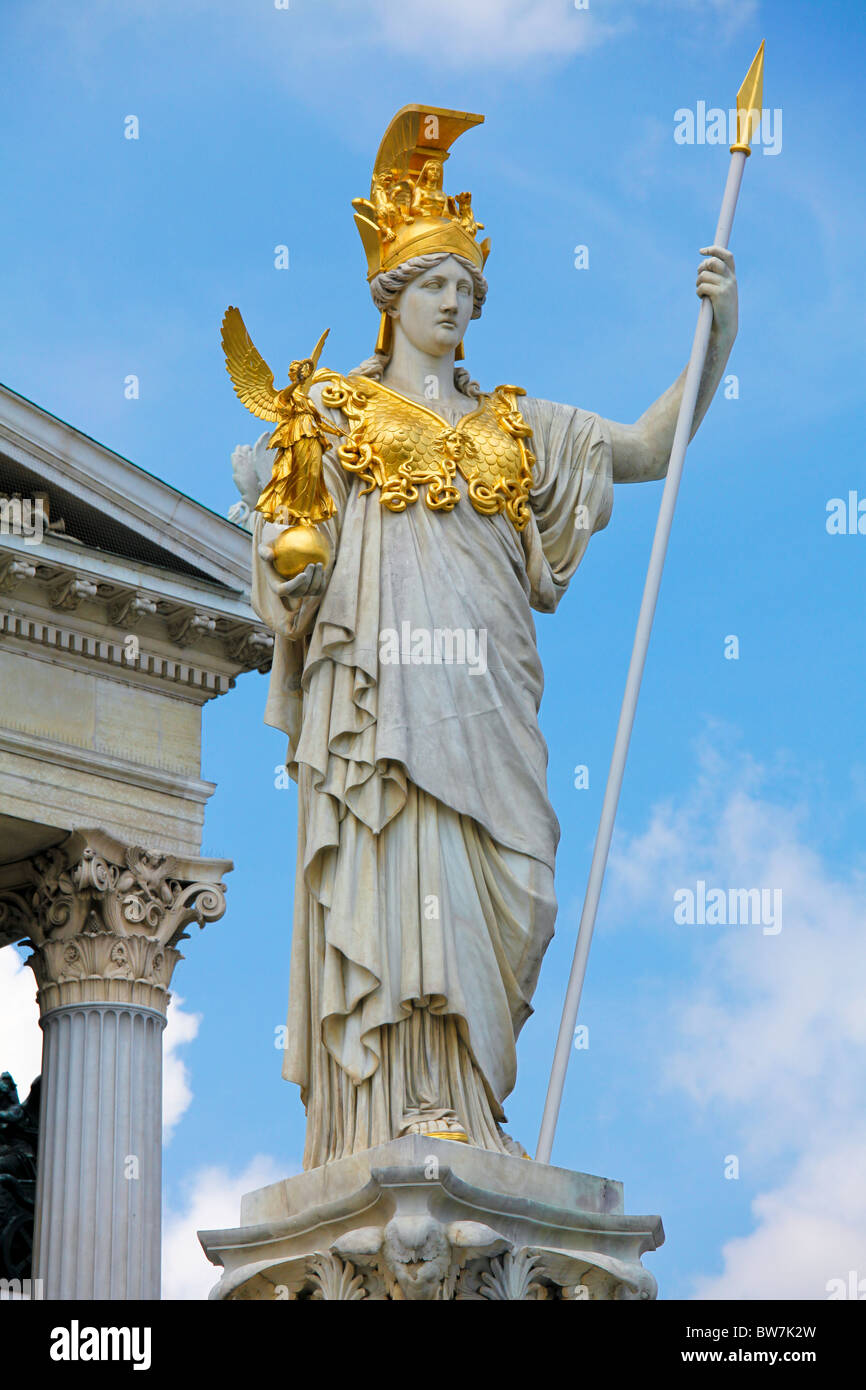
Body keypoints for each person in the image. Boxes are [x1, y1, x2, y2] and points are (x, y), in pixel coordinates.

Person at [247, 106, 737, 1169]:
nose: (453, 307)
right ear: (391, 298)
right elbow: (280, 520)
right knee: (398, 864)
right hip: (383, 694)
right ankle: (401, 1106)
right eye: (435, 287)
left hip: (489, 696)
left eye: (466, 293)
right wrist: (293, 564)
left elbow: (649, 447)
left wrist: (716, 334)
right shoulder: (334, 412)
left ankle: (472, 1104)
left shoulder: (517, 426)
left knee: (513, 880)